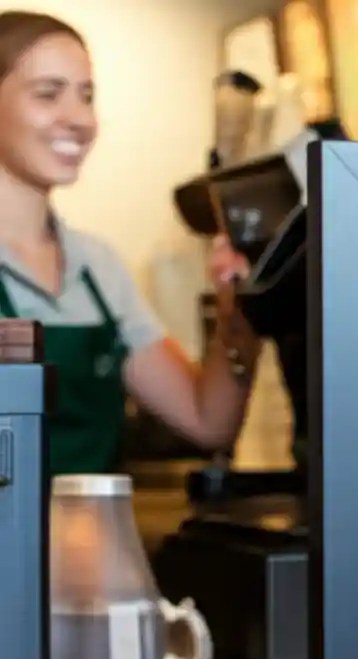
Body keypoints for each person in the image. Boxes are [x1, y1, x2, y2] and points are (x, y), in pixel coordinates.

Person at [0, 11, 259, 476]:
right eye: (48, 93)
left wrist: (235, 314)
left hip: (96, 525)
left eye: (86, 96)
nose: (80, 119)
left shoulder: (97, 267)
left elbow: (208, 422)